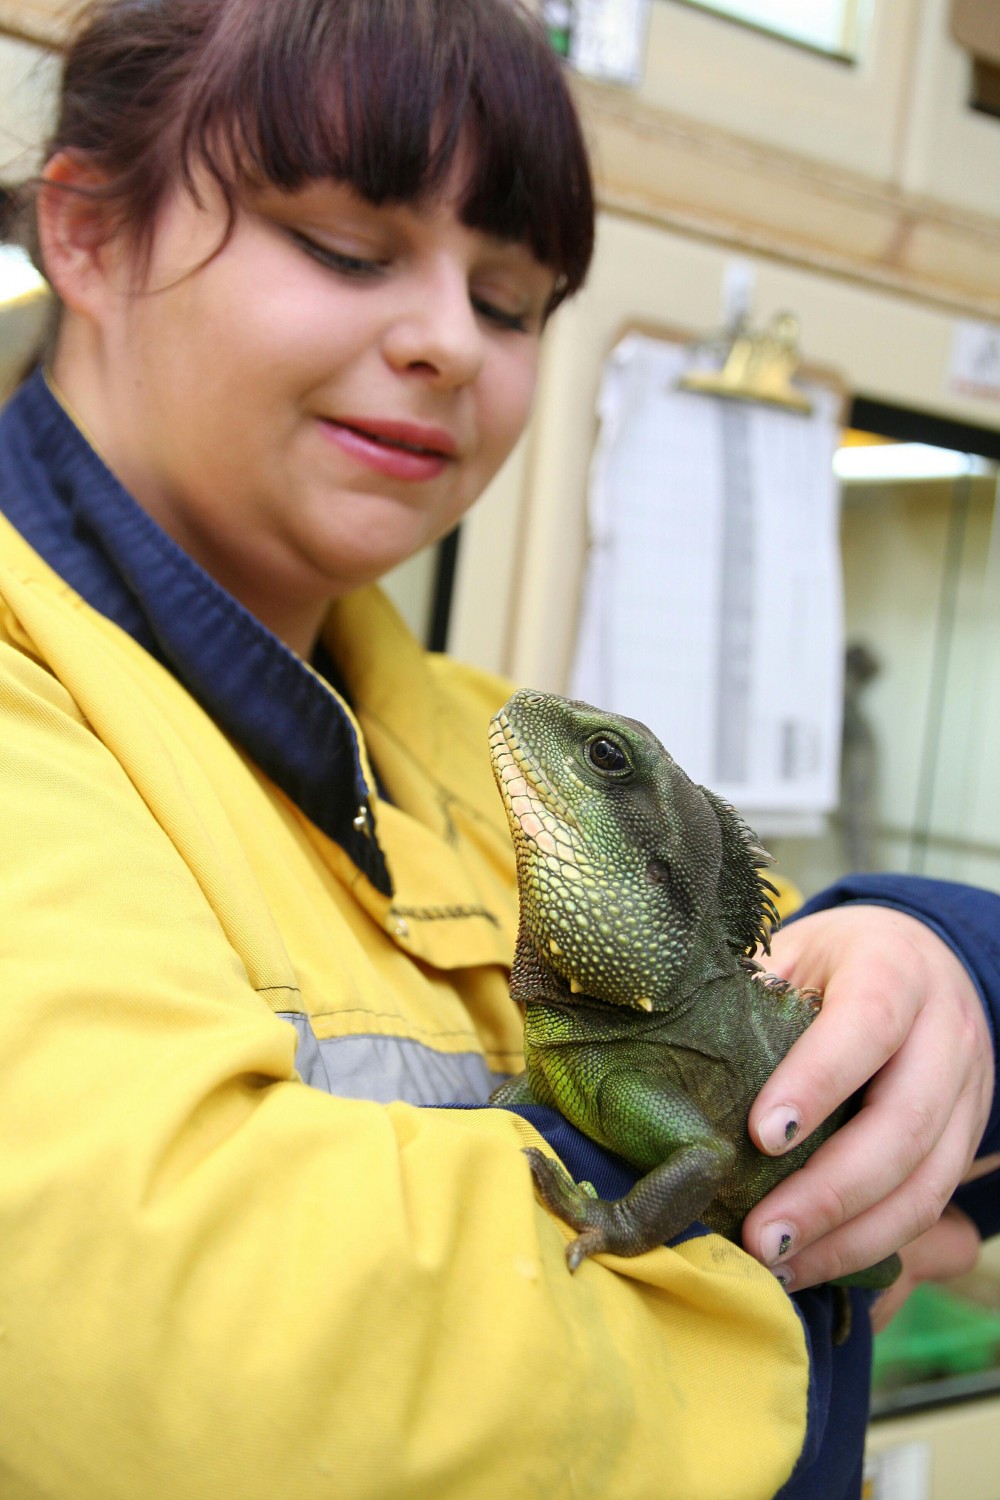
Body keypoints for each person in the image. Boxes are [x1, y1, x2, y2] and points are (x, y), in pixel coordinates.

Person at [0, 2, 995, 1497]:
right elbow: (212, 1367)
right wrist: (784, 1278)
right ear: (83, 233)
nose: (450, 343)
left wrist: (952, 967)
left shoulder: (473, 737)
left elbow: (818, 1022)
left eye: (513, 302)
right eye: (346, 249)